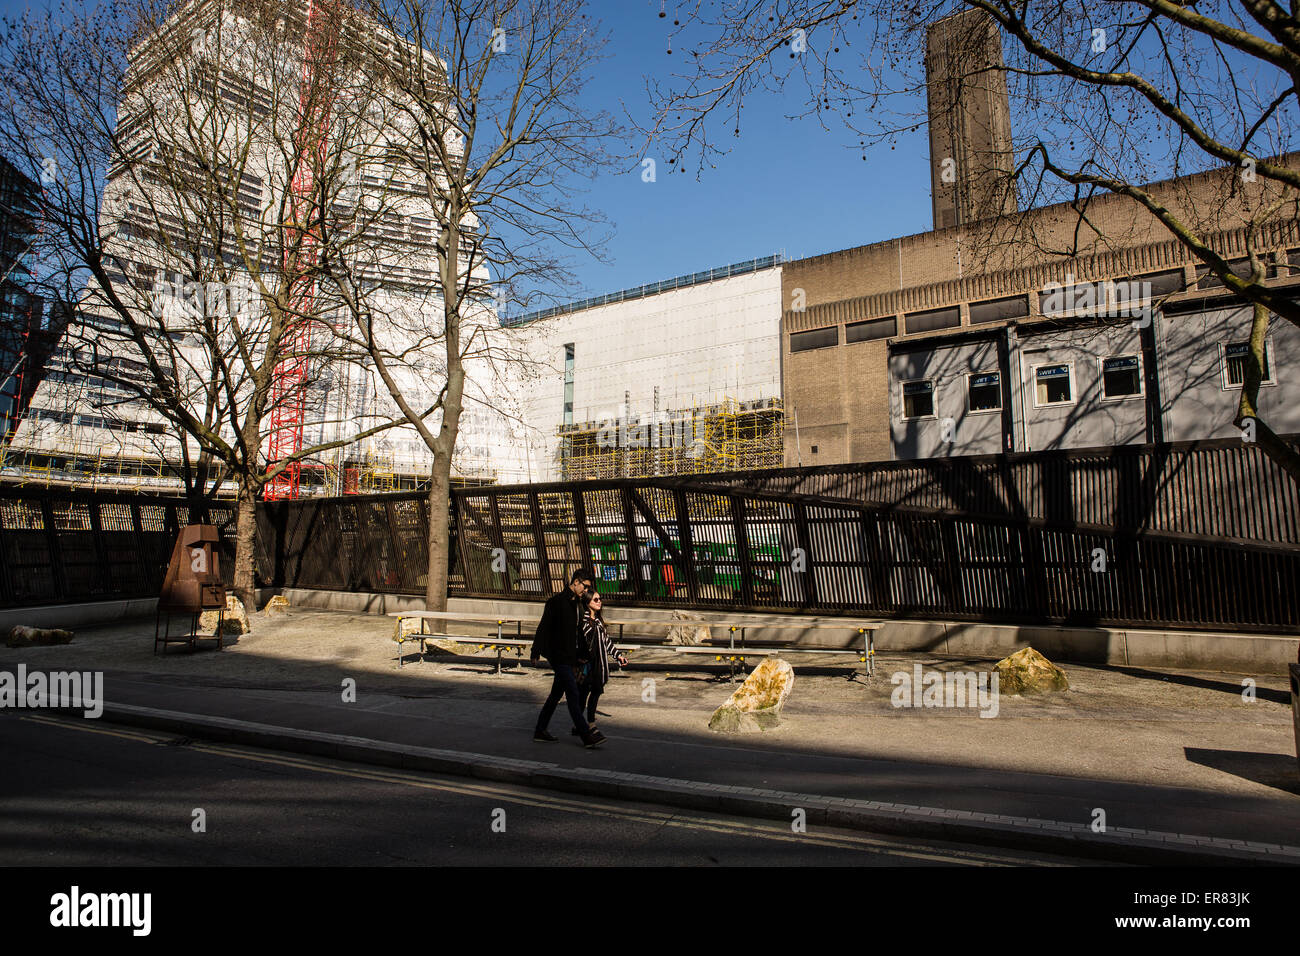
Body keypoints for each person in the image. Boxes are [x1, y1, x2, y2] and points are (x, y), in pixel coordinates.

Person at [532, 568, 606, 748]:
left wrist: (583, 656)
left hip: (570, 656)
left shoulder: (577, 604)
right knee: (572, 693)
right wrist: (535, 652)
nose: (586, 591)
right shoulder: (556, 602)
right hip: (557, 656)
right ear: (576, 582)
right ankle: (586, 735)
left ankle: (540, 730)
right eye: (585, 587)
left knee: (556, 694)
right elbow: (543, 628)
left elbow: (578, 633)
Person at [574, 590, 627, 735]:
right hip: (590, 666)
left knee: (593, 694)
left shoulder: (598, 621)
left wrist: (618, 656)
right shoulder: (585, 623)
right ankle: (588, 725)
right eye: (595, 600)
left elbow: (606, 642)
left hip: (600, 666)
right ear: (587, 603)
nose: (599, 602)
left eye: (599, 599)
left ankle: (584, 724)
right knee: (585, 695)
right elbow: (580, 644)